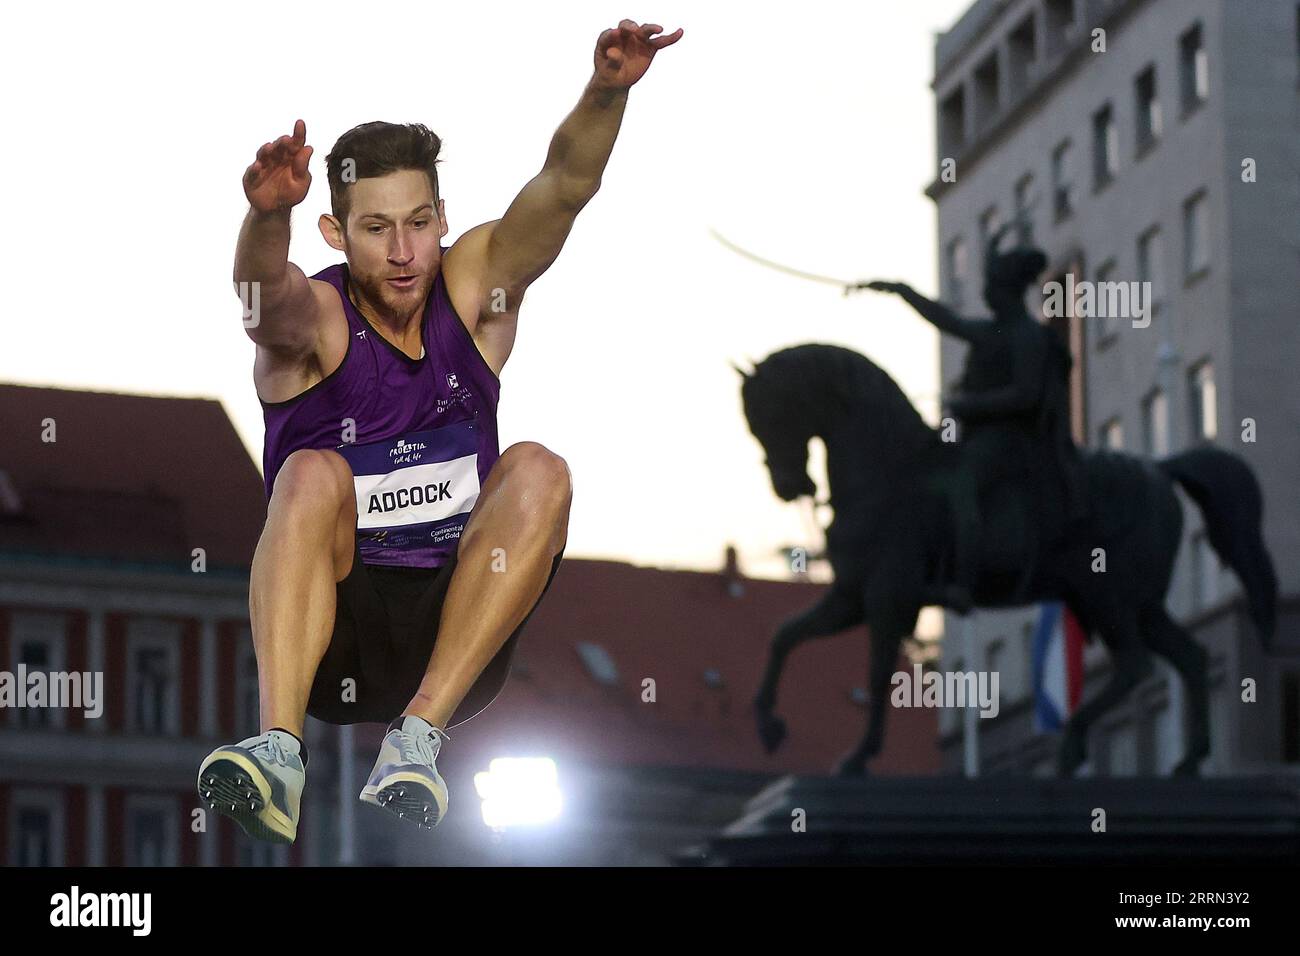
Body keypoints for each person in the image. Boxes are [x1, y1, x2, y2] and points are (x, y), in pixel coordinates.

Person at [198, 20, 683, 845]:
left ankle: (415, 743)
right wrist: (264, 218)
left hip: (454, 631)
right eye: (376, 227)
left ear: (442, 218)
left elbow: (563, 185)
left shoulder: (475, 290)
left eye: (419, 223)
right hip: (338, 633)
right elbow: (261, 303)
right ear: (335, 234)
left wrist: (608, 91)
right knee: (312, 472)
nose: (402, 252)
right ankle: (279, 752)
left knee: (539, 469)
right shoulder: (318, 319)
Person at [862, 225, 1071, 613]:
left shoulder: (1027, 336)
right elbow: (948, 320)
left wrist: (969, 405)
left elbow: (1026, 395)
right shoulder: (993, 330)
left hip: (1010, 443)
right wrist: (901, 290)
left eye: (991, 285)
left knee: (963, 484)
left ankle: (963, 580)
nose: (985, 293)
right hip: (978, 438)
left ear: (1007, 290)